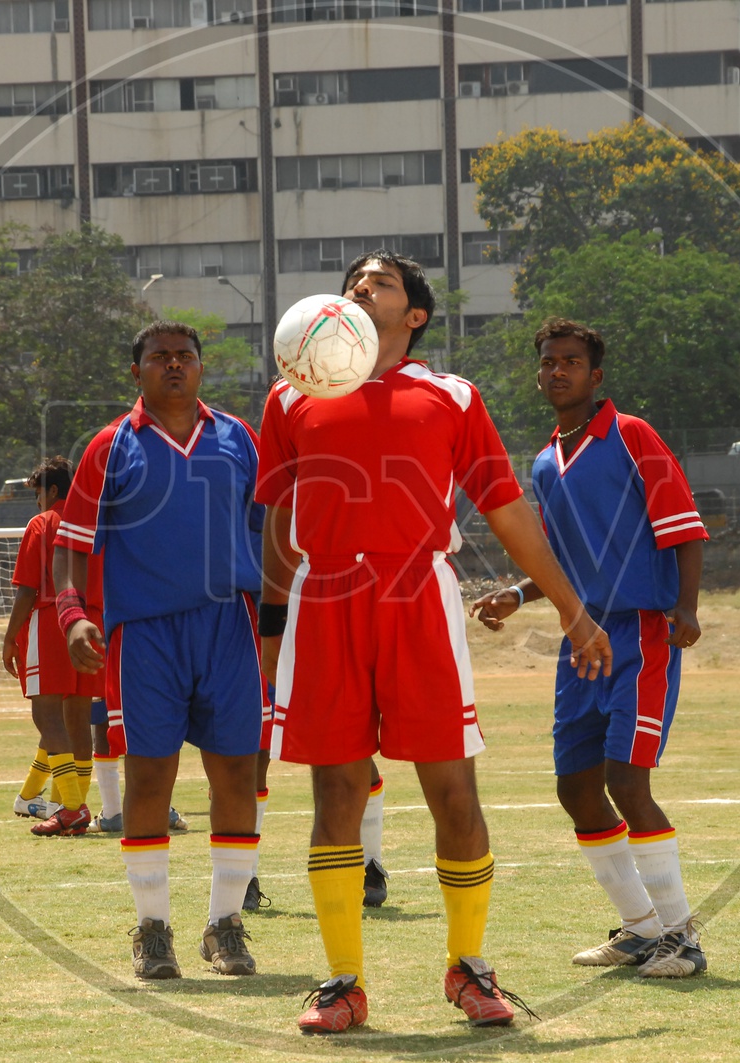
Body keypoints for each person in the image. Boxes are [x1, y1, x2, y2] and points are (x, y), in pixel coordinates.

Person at [256, 250, 612, 1033]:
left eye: (379, 282)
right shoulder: (292, 396)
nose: (360, 287)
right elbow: (278, 525)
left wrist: (572, 609)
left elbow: (508, 510)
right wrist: (270, 626)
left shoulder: (452, 395)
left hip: (420, 595)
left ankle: (469, 966)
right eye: (354, 280)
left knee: (453, 791)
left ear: (414, 314)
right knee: (337, 793)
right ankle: (344, 980)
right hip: (327, 601)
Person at [469, 318, 709, 978]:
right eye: (548, 362)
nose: (557, 371)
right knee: (576, 788)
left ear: (595, 375)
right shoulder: (546, 461)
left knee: (628, 781)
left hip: (641, 632)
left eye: (571, 361)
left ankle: (682, 937)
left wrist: (686, 605)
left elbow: (684, 526)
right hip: (581, 643)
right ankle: (638, 928)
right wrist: (516, 596)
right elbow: (553, 560)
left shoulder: (632, 435)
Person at [52, 321, 266, 979]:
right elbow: (71, 544)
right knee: (150, 775)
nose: (173, 365)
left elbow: (271, 529)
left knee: (236, 773)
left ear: (202, 367)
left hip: (229, 624)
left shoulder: (238, 437)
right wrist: (71, 615)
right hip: (144, 633)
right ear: (138, 370)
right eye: (158, 357)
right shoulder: (111, 445)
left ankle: (225, 925)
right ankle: (152, 929)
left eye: (185, 356)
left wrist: (285, 615)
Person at [1, 456, 123, 837]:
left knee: (46, 716)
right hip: (95, 624)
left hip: (55, 621)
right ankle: (72, 807)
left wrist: (10, 637)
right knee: (78, 719)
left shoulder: (42, 524)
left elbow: (27, 589)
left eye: (38, 492)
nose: (36, 501)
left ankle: (72, 806)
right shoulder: (96, 524)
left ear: (52, 490)